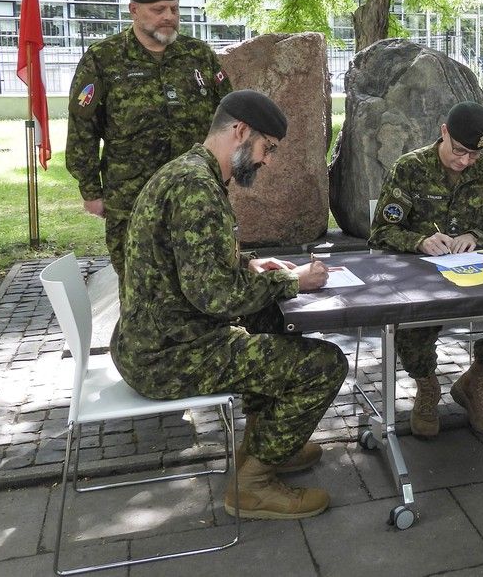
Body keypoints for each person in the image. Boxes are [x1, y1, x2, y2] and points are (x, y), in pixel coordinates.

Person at [111, 89, 348, 520]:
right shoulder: (195, 188)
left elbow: (190, 262)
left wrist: (249, 265)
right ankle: (252, 486)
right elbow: (215, 297)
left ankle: (262, 448)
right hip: (169, 355)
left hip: (158, 339)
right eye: (267, 148)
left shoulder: (189, 172)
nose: (267, 161)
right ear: (240, 131)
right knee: (325, 365)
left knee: (268, 316)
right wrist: (290, 280)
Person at [368, 101, 483, 438]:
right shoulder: (409, 169)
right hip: (422, 276)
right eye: (459, 151)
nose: (465, 161)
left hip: (476, 273)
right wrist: (420, 242)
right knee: (412, 320)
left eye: (473, 155)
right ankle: (427, 388)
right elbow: (381, 232)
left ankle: (475, 381)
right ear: (444, 132)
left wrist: (477, 235)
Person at [65, 0, 232, 294]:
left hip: (196, 200)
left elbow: (229, 118)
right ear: (134, 10)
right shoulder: (103, 60)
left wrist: (225, 176)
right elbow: (82, 128)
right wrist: (91, 190)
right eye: (158, 9)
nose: (168, 16)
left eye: (174, 8)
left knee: (204, 290)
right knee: (141, 296)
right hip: (132, 203)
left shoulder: (198, 56)